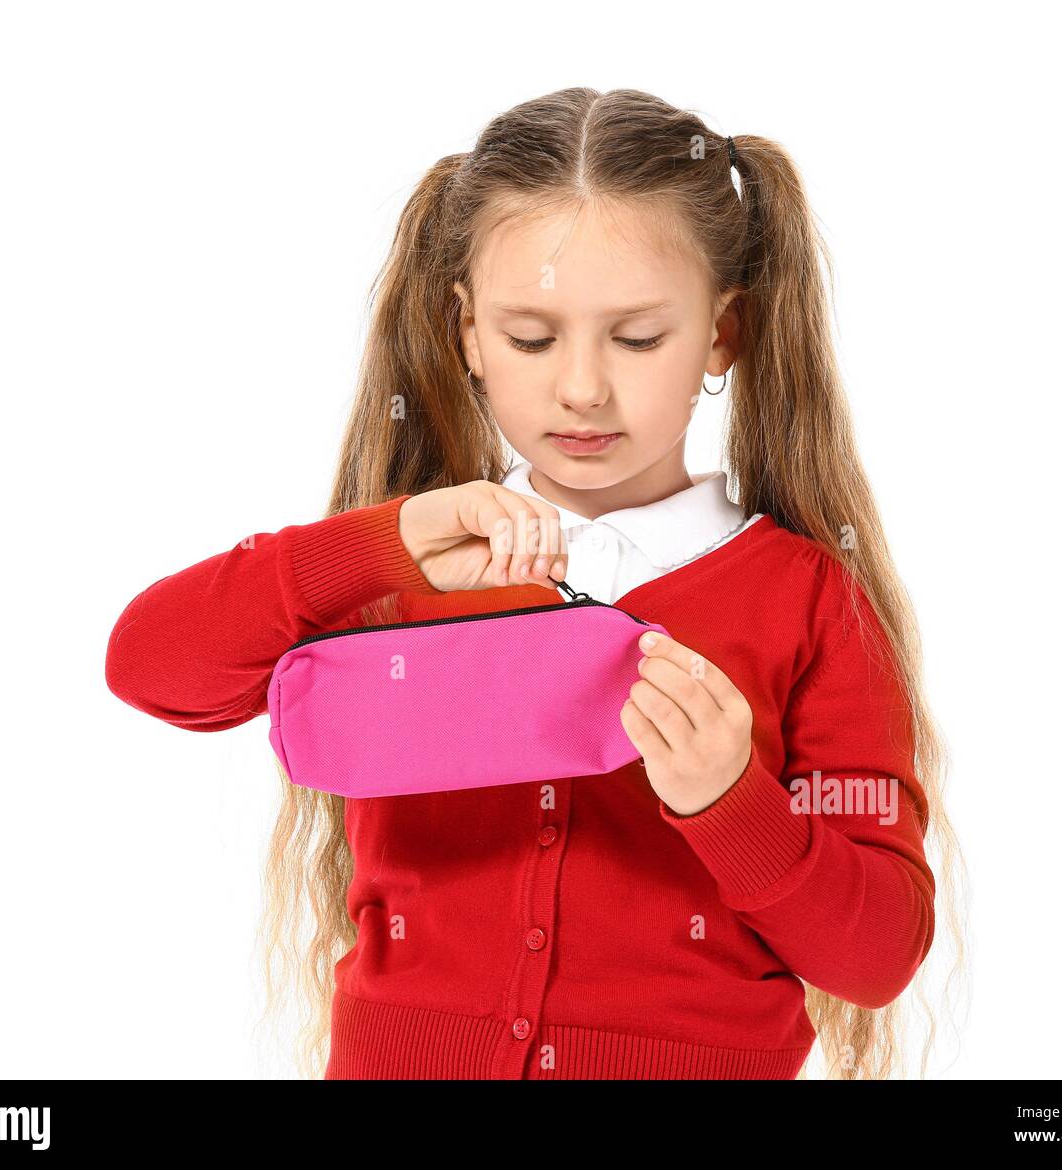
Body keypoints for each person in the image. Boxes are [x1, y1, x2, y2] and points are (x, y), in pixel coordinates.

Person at [105, 86, 966, 1080]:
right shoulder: (402, 568)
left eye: (637, 337)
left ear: (724, 334)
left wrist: (731, 800)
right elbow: (149, 667)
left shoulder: (810, 604)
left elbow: (876, 955)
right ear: (465, 333)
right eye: (529, 337)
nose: (583, 389)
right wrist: (372, 548)